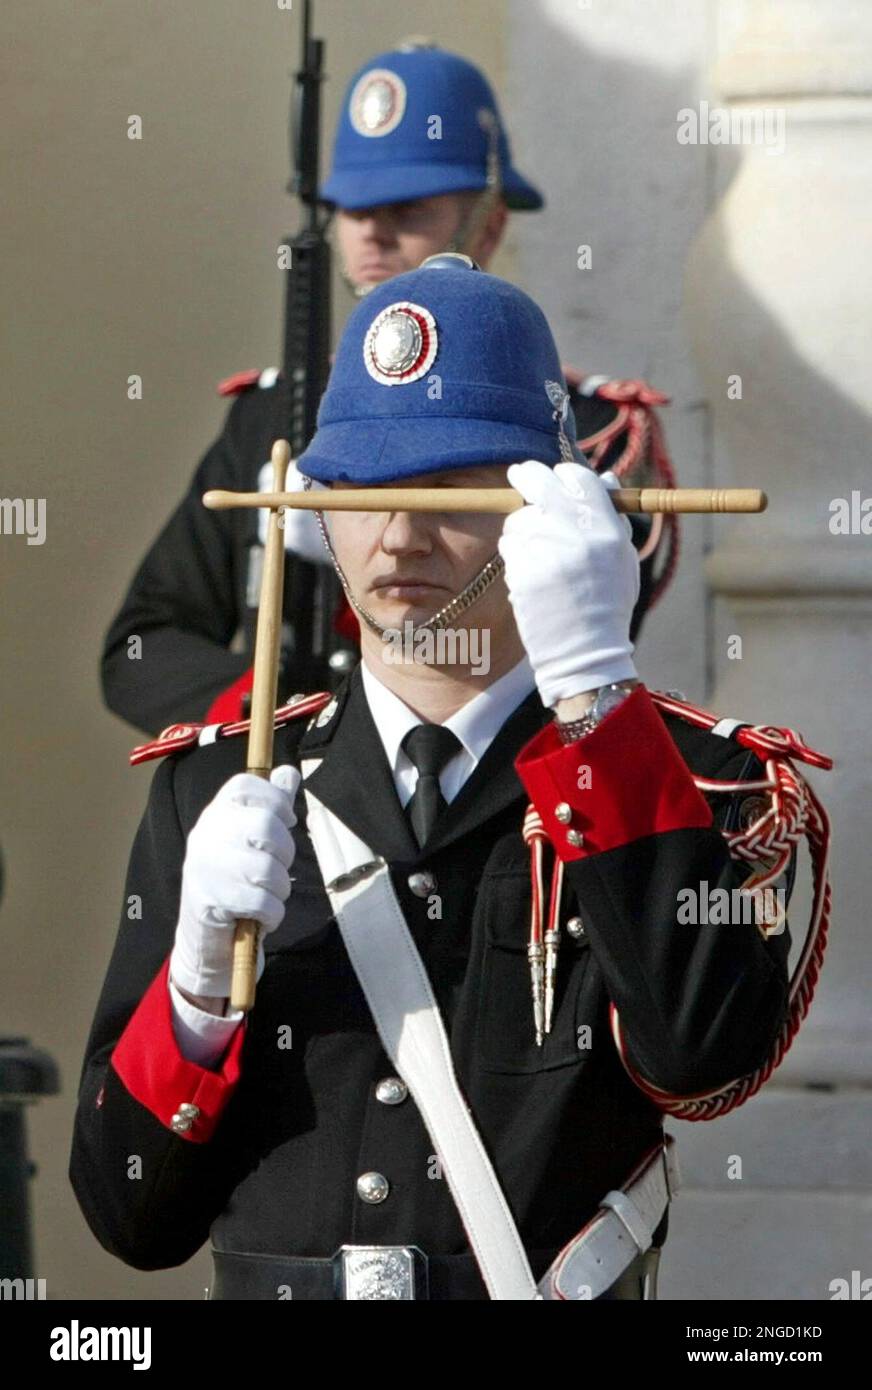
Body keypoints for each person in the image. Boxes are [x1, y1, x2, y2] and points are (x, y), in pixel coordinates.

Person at [70, 258, 819, 1302]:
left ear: (548, 511)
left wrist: (598, 699)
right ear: (314, 510)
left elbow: (699, 1055)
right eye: (365, 492)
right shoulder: (219, 785)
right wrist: (194, 997)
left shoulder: (694, 780)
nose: (401, 536)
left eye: (449, 489)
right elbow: (129, 1215)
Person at [101, 41, 677, 737]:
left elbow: (596, 628)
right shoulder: (267, 420)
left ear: (490, 220)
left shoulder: (582, 428)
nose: (372, 231)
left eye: (407, 208)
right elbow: (142, 646)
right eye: (351, 208)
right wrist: (276, 722)